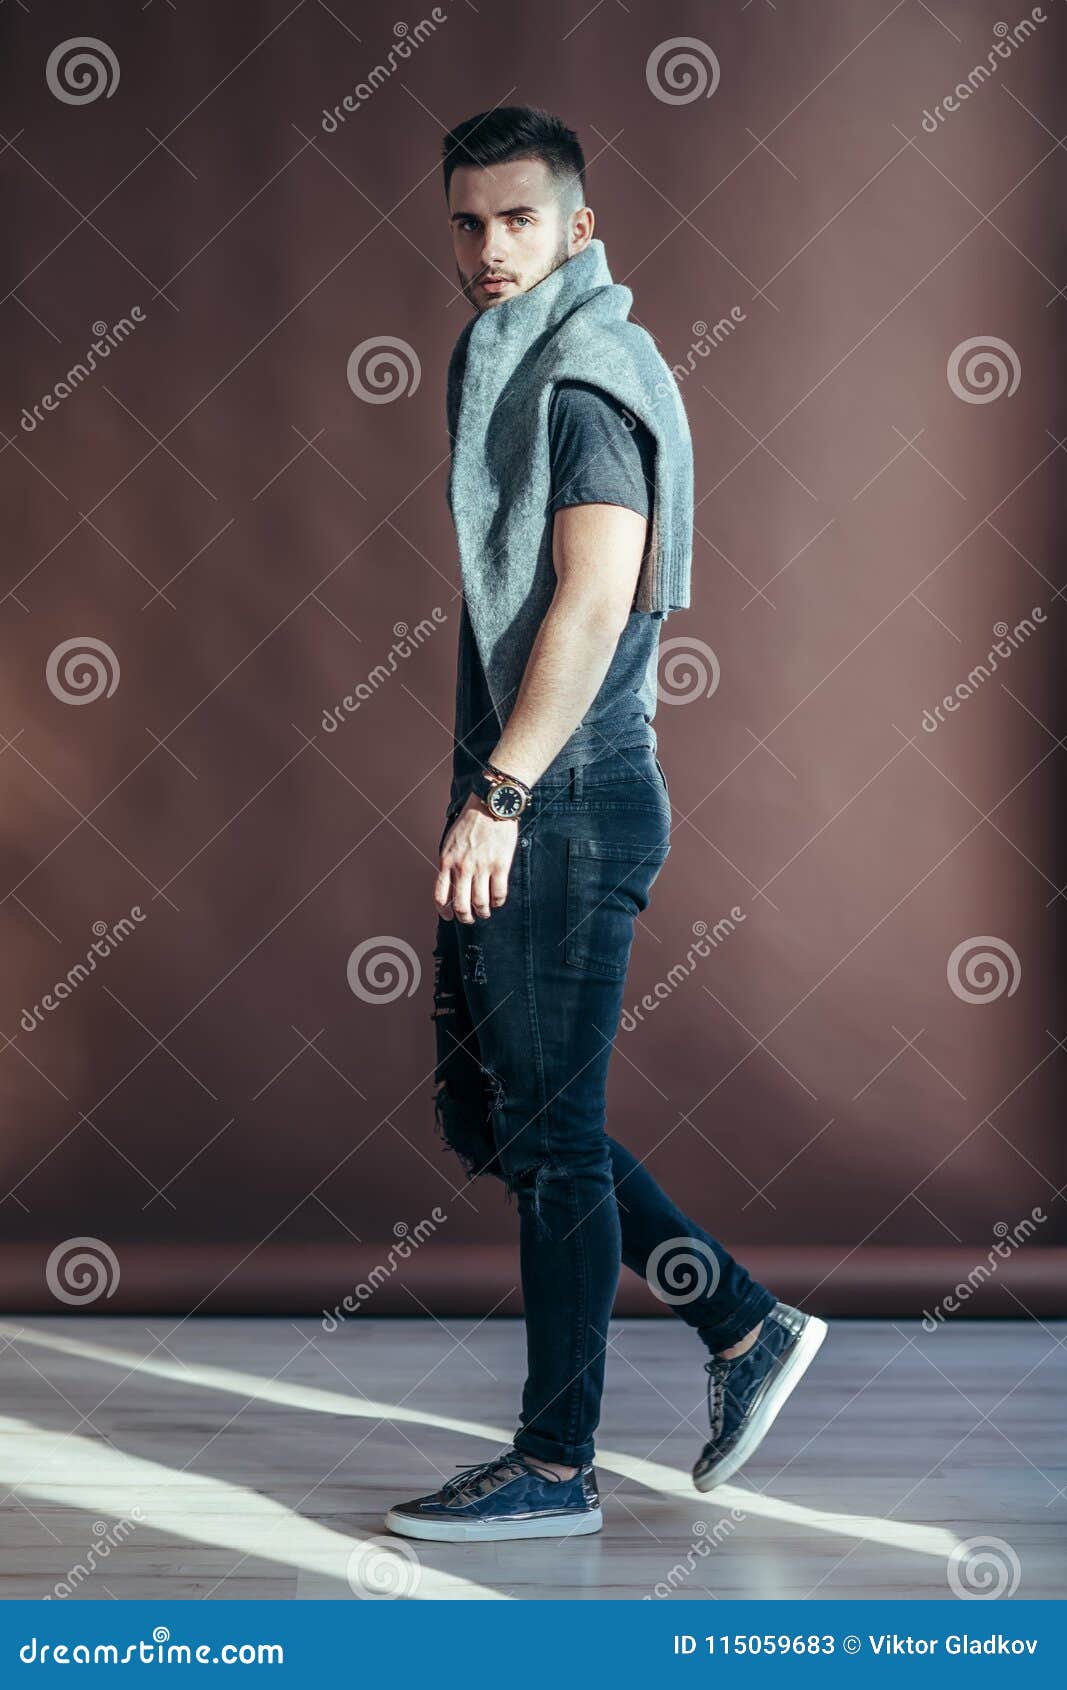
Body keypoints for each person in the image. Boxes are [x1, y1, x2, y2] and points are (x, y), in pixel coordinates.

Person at [385, 107, 826, 1544]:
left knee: (558, 1142)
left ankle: (557, 1462)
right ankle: (745, 1325)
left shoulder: (583, 377)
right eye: (467, 221)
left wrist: (498, 791)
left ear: (579, 227)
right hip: (539, 790)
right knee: (494, 1113)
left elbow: (590, 595)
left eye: (519, 219)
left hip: (564, 799)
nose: (488, 249)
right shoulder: (514, 359)